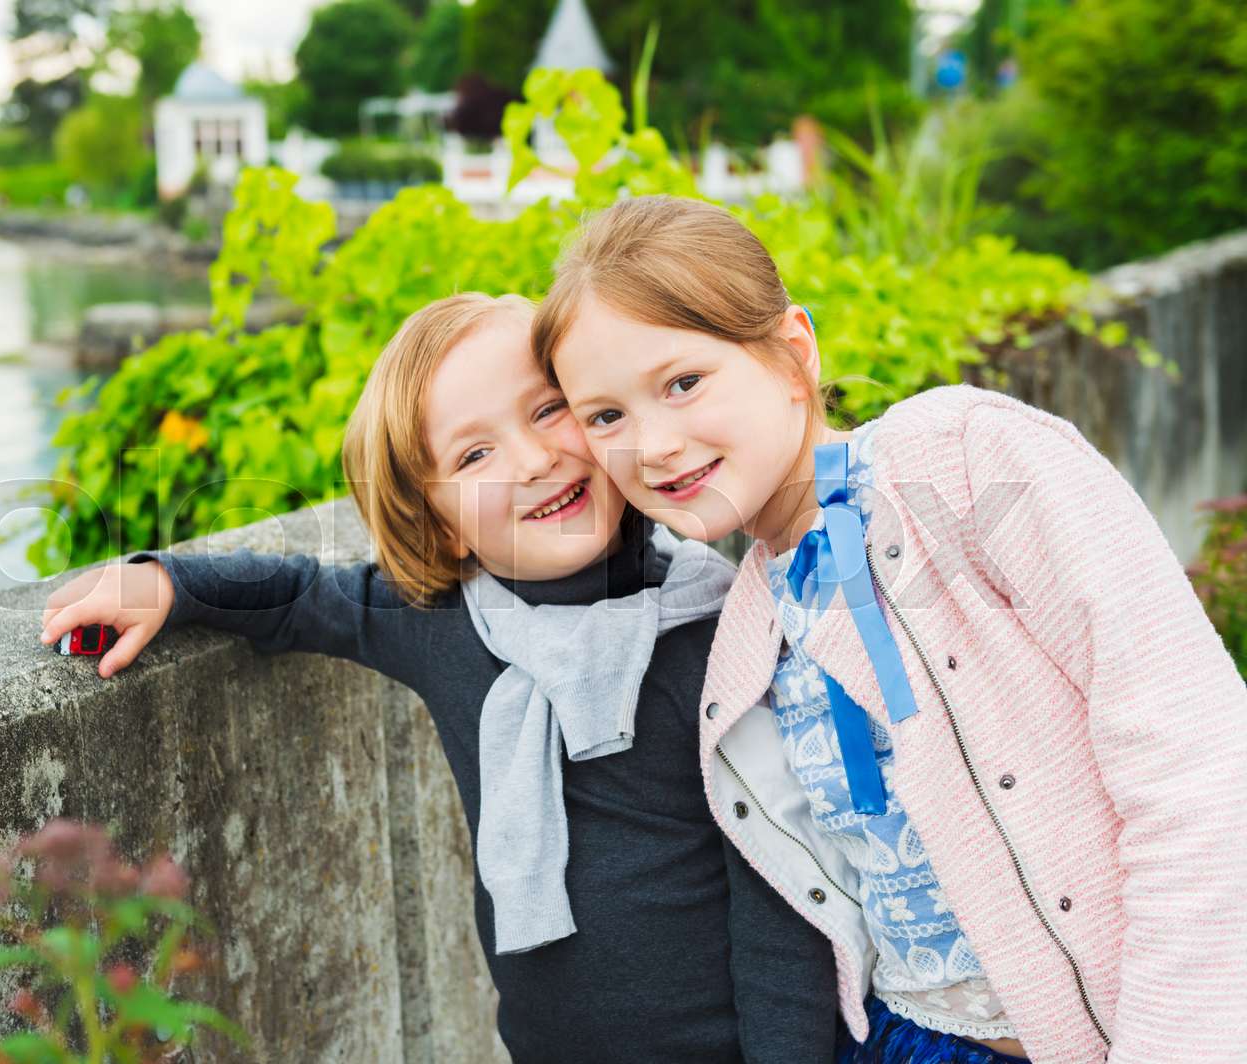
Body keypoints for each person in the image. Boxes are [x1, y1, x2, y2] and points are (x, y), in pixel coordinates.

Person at [531, 194, 1247, 1064]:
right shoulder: (743, 624)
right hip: (907, 1042)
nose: (652, 444)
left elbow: (1200, 766)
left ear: (793, 356)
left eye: (683, 382)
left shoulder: (964, 459)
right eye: (605, 416)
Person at [38, 292, 840, 1063]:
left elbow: (783, 895)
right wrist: (169, 582)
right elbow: (296, 595)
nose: (532, 459)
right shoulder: (441, 625)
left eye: (548, 409)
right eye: (474, 453)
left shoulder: (719, 633)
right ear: (441, 527)